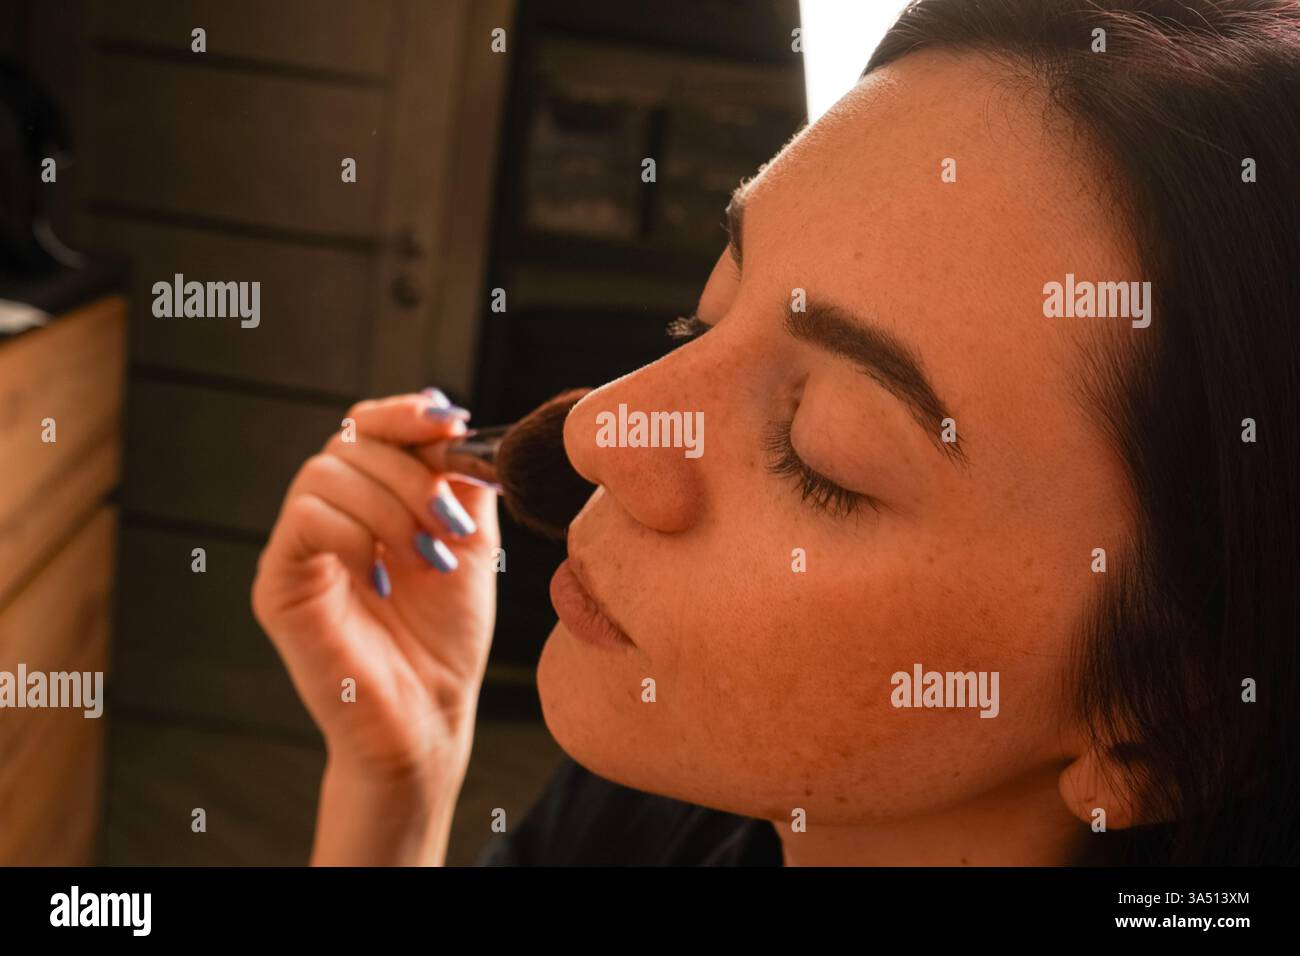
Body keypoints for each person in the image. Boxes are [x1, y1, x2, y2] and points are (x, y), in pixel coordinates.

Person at [250, 0, 1300, 866]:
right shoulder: (663, 813)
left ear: (1165, 733)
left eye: (819, 453)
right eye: (705, 312)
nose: (600, 430)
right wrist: (397, 783)